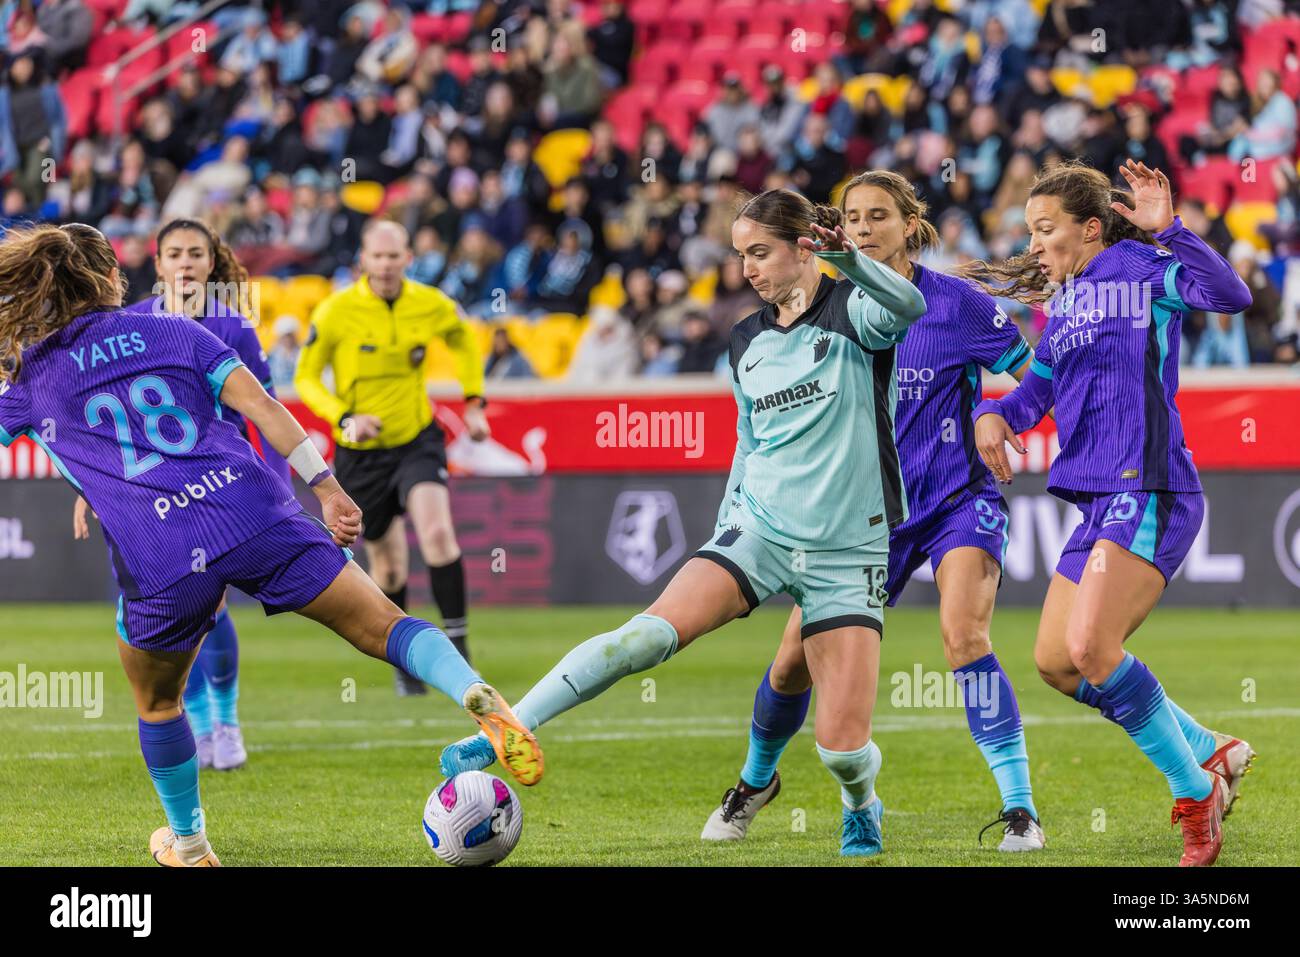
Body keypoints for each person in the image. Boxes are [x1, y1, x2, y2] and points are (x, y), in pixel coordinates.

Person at [0, 223, 542, 866]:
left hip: (163, 550)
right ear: (112, 280)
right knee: (387, 626)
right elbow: (262, 407)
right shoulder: (176, 328)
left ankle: (193, 846)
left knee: (158, 701)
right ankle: (475, 692)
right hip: (252, 509)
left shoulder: (34, 378)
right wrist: (329, 487)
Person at [441, 189, 928, 858]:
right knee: (644, 637)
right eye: (739, 255)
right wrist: (731, 518)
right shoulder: (745, 339)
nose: (747, 270)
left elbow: (911, 304)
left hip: (849, 548)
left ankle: (859, 801)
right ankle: (506, 724)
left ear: (803, 246)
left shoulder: (856, 310)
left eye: (759, 253)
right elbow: (749, 439)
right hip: (762, 529)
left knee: (841, 748)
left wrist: (848, 257)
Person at [699, 169, 1046, 852]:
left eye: (878, 216)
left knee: (964, 637)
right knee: (791, 661)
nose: (862, 229)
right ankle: (754, 780)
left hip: (955, 499)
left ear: (911, 226)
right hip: (862, 516)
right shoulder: (826, 303)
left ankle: (1020, 808)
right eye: (852, 218)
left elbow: (1034, 371)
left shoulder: (956, 304)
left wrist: (993, 412)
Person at [966, 160, 1256, 866]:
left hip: (1150, 485)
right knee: (1056, 664)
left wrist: (1174, 229)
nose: (1033, 245)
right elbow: (1033, 399)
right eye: (1028, 231)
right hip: (1100, 500)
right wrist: (988, 413)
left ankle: (1196, 798)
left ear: (1091, 228)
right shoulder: (1061, 305)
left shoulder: (1140, 266)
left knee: (1092, 648)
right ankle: (1208, 748)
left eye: (1046, 229)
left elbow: (1231, 293)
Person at [74, 218, 291, 772]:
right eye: (176, 253)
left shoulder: (232, 325)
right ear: (159, 263)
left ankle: (226, 722)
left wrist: (282, 487)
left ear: (211, 263)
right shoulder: (131, 324)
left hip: (218, 487)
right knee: (186, 610)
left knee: (212, 603)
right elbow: (106, 420)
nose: (188, 263)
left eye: (197, 253)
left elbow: (263, 410)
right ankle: (196, 718)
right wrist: (88, 488)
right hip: (151, 492)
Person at [295, 220, 488, 694]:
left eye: (394, 256)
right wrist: (345, 417)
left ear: (408, 259)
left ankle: (459, 651)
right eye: (376, 257)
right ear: (363, 260)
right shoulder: (337, 310)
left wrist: (474, 401)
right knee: (390, 568)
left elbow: (464, 339)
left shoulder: (431, 302)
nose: (385, 265)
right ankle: (407, 660)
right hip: (361, 455)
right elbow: (305, 378)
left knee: (438, 532)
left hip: (415, 438)